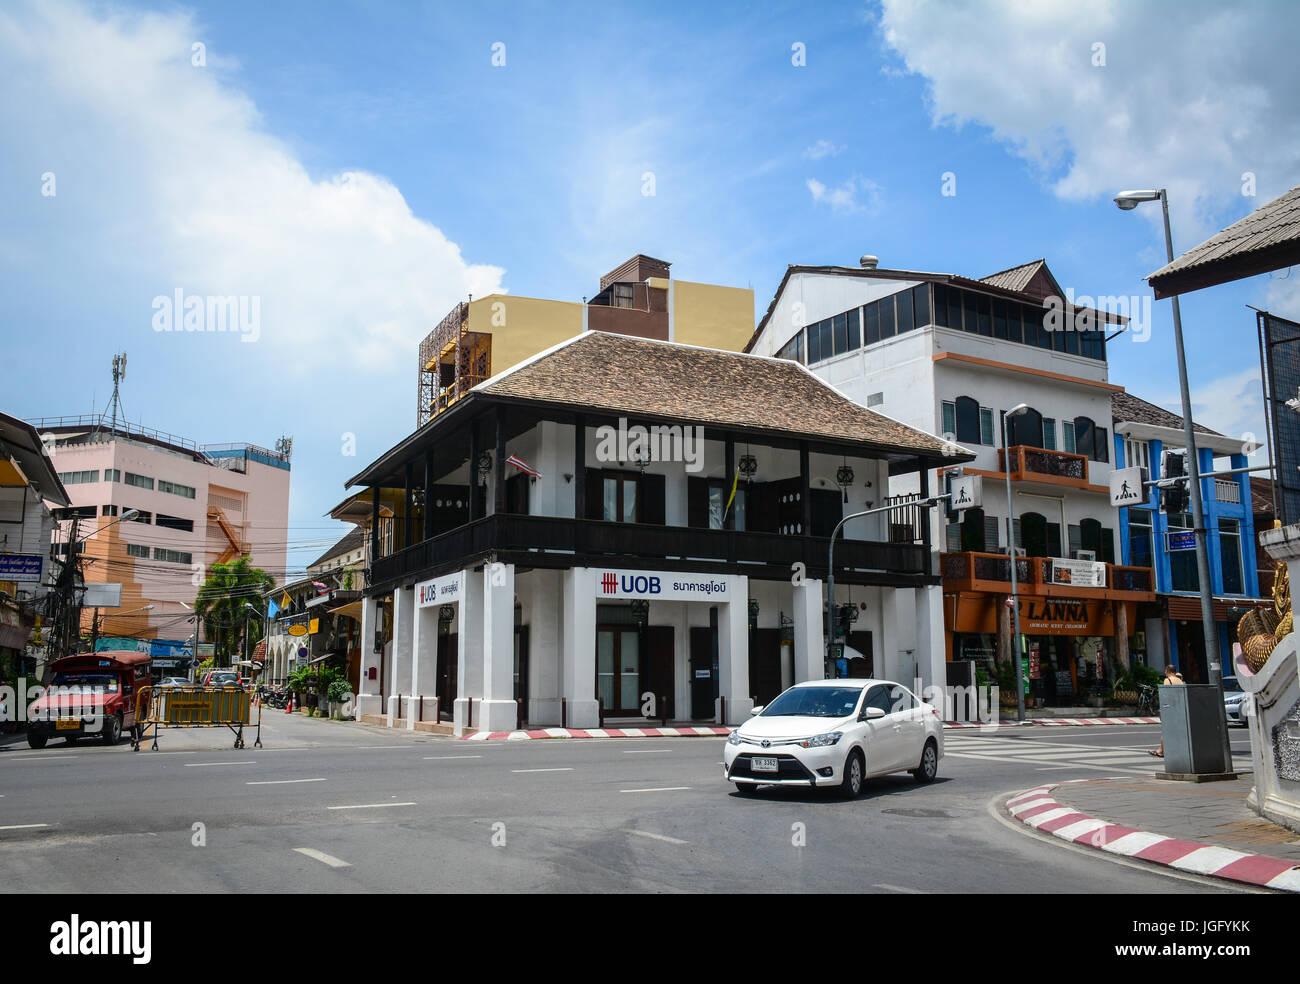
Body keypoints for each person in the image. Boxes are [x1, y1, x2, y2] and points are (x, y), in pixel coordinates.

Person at [1149, 664, 1184, 758]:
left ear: (1167, 671)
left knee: (1166, 730)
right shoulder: (1180, 680)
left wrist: (1163, 709)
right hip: (1179, 708)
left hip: (1170, 708)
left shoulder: (1167, 680)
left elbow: (1166, 695)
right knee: (1176, 730)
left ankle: (1161, 751)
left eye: (1165, 671)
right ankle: (1165, 750)